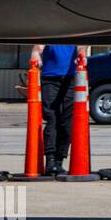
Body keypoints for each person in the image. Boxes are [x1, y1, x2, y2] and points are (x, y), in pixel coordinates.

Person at [29, 42, 84, 177]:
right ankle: (50, 160)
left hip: (70, 78)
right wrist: (36, 53)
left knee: (68, 122)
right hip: (50, 77)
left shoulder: (75, 29)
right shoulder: (53, 27)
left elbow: (82, 45)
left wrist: (81, 53)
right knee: (52, 118)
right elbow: (39, 45)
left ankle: (59, 160)